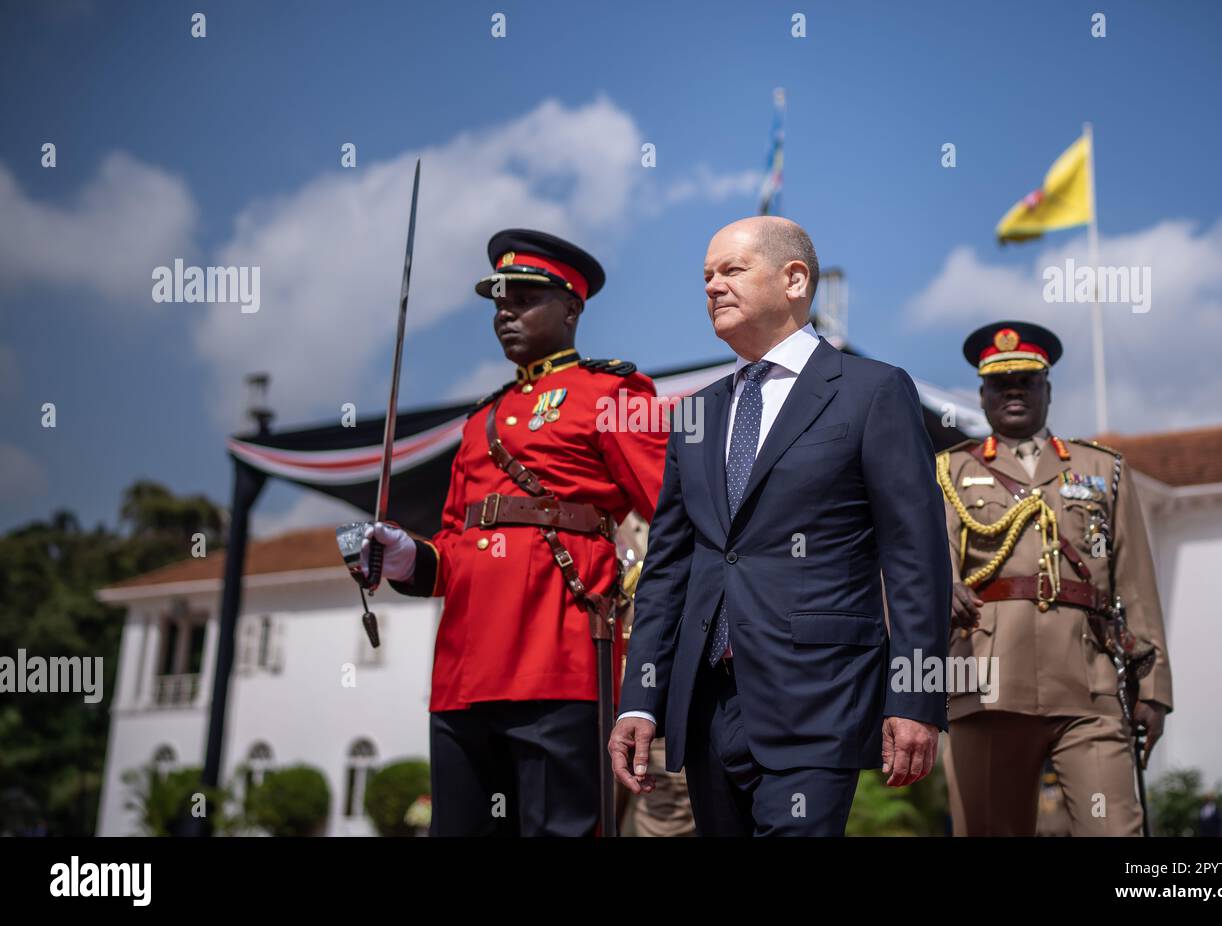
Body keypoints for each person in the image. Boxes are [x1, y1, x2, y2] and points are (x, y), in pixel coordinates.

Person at [608, 216, 951, 836]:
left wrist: (915, 698)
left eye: (731, 270)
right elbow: (666, 571)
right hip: (705, 705)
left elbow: (916, 561)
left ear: (795, 279)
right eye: (706, 276)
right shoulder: (695, 415)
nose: (712, 286)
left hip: (821, 698)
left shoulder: (871, 392)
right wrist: (639, 698)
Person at [360, 229, 668, 835]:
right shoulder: (479, 421)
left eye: (524, 297)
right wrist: (404, 558)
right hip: (464, 673)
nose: (505, 312)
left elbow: (675, 515)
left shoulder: (615, 393)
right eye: (499, 302)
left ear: (572, 308)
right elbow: (450, 551)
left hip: (561, 661)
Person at [939, 321, 1174, 836]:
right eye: (1002, 384)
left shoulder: (1102, 469)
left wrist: (1152, 688)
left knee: (1115, 831)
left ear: (1048, 389)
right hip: (985, 683)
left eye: (1027, 380)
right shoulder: (948, 473)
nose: (1014, 391)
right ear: (982, 395)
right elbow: (914, 568)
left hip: (1089, 685)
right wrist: (938, 587)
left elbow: (1134, 582)